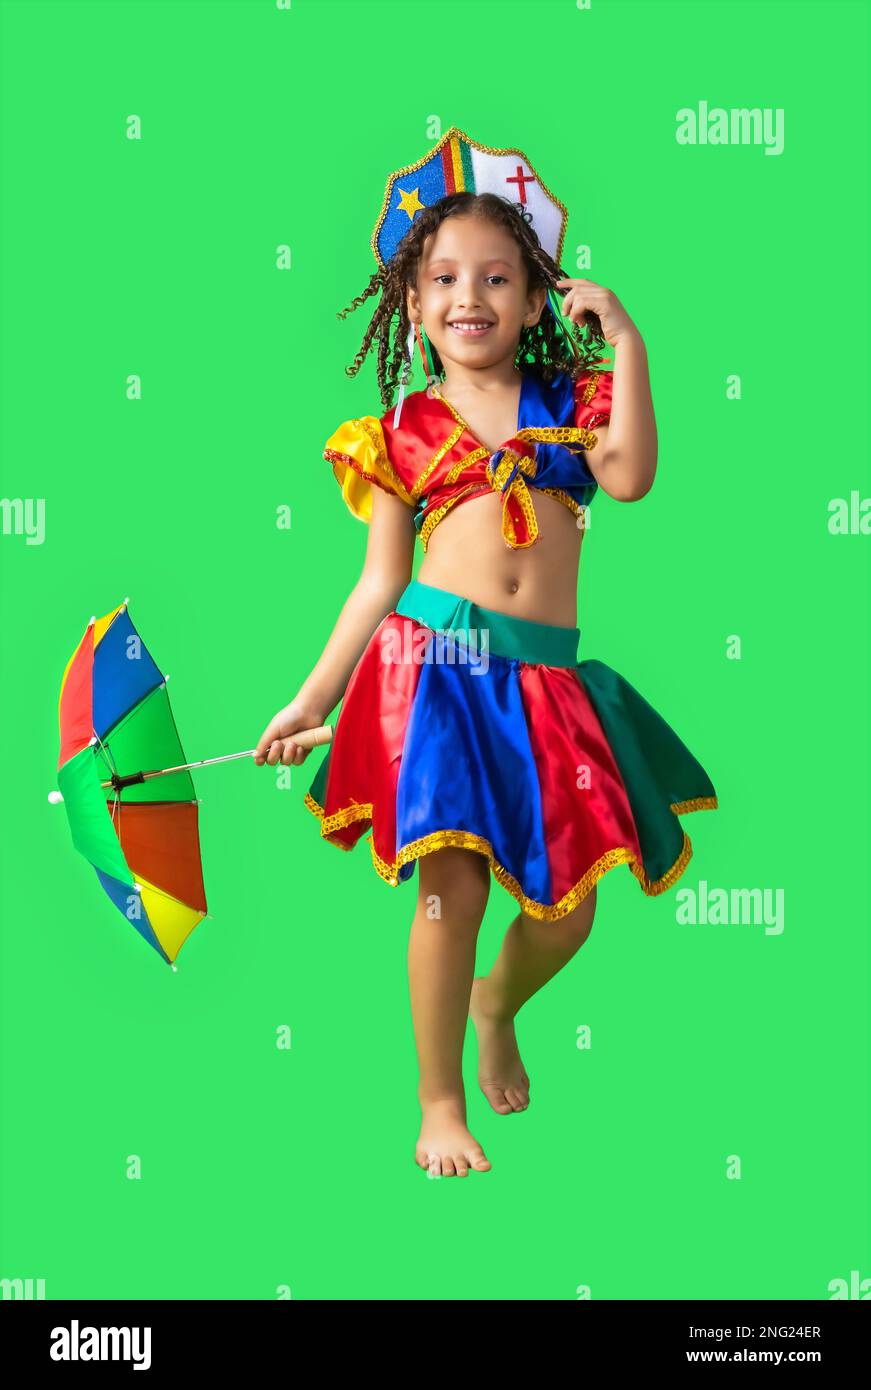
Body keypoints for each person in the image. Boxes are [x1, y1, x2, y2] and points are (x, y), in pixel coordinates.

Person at [254, 130, 717, 1178]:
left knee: (569, 909)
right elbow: (377, 583)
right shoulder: (398, 432)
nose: (471, 295)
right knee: (446, 893)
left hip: (546, 686)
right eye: (445, 278)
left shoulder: (571, 408)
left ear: (536, 295)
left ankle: (494, 1001)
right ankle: (436, 1099)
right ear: (413, 306)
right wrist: (309, 698)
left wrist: (627, 341)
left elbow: (633, 477)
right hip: (438, 678)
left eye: (498, 276)